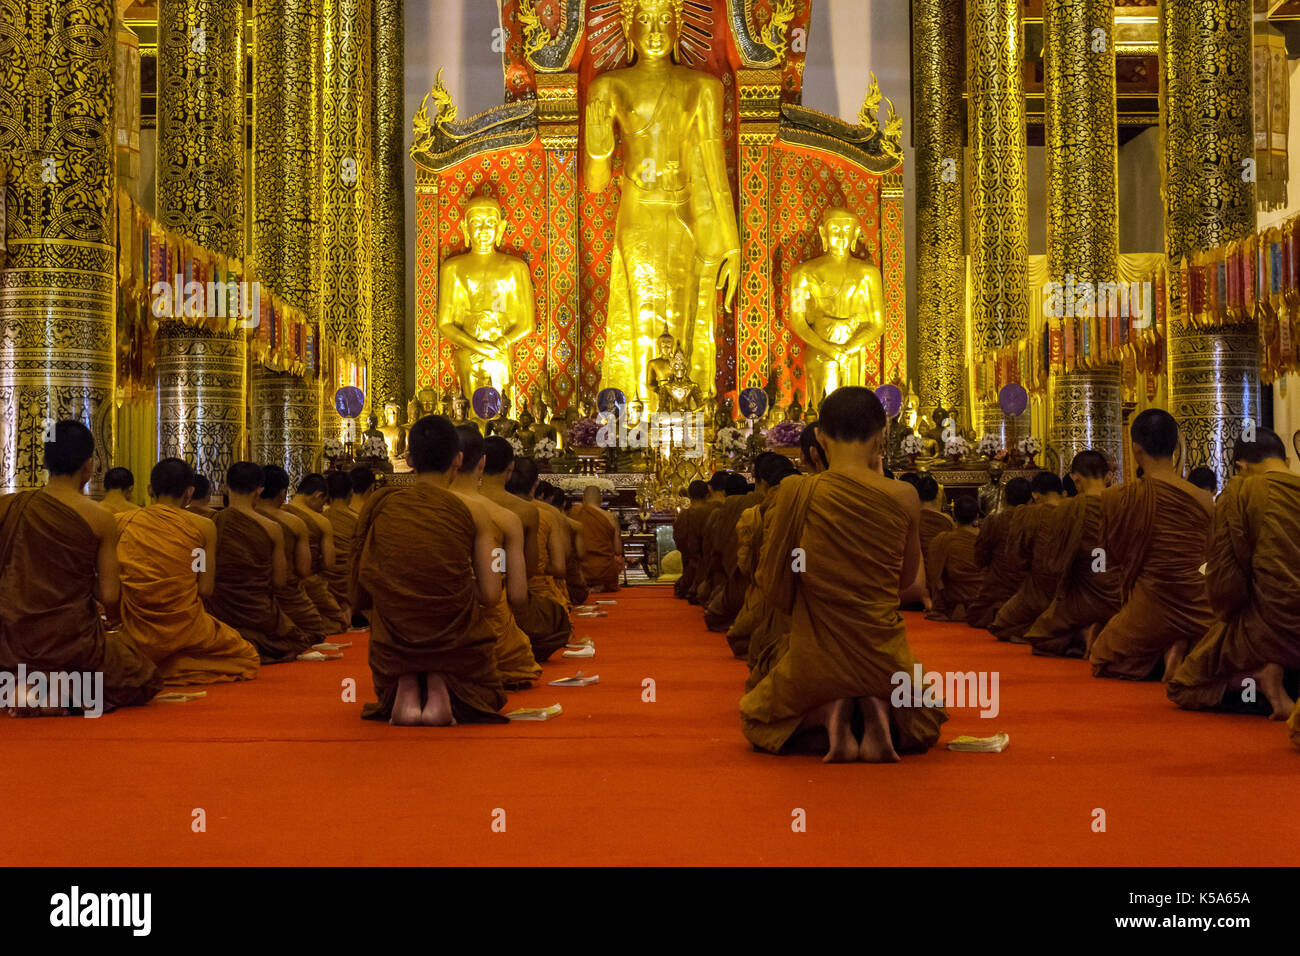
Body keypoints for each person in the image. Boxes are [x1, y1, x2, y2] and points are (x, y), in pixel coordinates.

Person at [740, 387, 947, 762]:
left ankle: (827, 711)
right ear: (882, 435)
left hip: (813, 663)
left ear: (819, 437)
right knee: (925, 720)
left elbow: (772, 584)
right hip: (886, 659)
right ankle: (878, 708)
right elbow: (904, 582)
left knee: (757, 719)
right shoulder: (904, 496)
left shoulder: (796, 492)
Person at [353, 415, 507, 726]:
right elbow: (491, 594)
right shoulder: (475, 513)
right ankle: (439, 681)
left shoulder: (382, 505)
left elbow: (363, 582)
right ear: (459, 459)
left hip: (395, 641)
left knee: (396, 600)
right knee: (459, 612)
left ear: (408, 459)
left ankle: (407, 683)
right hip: (453, 637)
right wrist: (454, 586)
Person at [0, 420, 161, 713]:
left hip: (9, 642)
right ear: (89, 465)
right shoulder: (99, 517)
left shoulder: (9, 505)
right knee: (142, 676)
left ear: (44, 462)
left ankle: (20, 688)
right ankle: (58, 693)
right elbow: (110, 595)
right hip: (70, 642)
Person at [1168, 427, 1300, 718]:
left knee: (1184, 685)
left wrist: (1230, 616)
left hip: (1268, 626)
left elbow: (1225, 585)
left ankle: (1260, 678)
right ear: (1286, 460)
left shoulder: (1241, 492)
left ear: (1241, 467)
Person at [1090, 409, 1214, 681]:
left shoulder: (1117, 497)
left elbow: (1109, 555)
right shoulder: (1203, 498)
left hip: (1151, 601)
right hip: (1198, 604)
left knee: (1103, 657)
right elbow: (1210, 558)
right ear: (1174, 446)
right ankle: (1179, 645)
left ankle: (1163, 650)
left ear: (1135, 449)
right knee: (1213, 644)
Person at [115, 457, 260, 685]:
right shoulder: (203, 527)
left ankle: (150, 665)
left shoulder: (122, 522)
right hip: (186, 626)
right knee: (245, 657)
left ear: (149, 489)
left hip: (136, 629)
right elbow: (205, 588)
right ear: (189, 492)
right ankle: (171, 665)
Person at [453, 426, 540, 686]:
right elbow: (517, 594)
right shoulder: (504, 518)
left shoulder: (423, 509)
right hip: (492, 635)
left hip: (429, 632)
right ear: (481, 461)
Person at [207, 462, 312, 663]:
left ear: (225, 487)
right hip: (259, 612)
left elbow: (200, 567)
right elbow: (279, 580)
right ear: (259, 490)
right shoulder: (272, 528)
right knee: (293, 640)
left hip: (219, 612)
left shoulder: (210, 523)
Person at [1023, 450, 1121, 658]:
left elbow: (1055, 561)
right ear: (1107, 476)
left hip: (1084, 596)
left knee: (1040, 636)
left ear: (1075, 478)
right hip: (1119, 596)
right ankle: (1105, 630)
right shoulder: (1123, 502)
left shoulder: (1072, 508)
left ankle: (1083, 634)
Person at [481, 437, 570, 661]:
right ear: (509, 469)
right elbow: (528, 571)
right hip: (507, 594)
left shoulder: (457, 503)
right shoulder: (524, 512)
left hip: (461, 602)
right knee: (552, 618)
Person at [724, 454, 797, 657]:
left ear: (762, 482)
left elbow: (746, 564)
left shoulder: (755, 515)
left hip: (766, 592)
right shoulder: (810, 498)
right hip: (812, 601)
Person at [988, 471, 1067, 643]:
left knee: (1001, 624)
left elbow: (1015, 558)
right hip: (1070, 588)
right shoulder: (1076, 510)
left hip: (1038, 589)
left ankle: (1043, 630)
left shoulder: (1030, 514)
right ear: (1064, 493)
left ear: (1035, 496)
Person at [256, 465, 332, 643]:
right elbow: (304, 570)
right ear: (283, 494)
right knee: (318, 628)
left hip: (247, 601)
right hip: (287, 597)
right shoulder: (295, 523)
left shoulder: (229, 521)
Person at [966, 477, 1033, 629]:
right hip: (1027, 590)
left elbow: (980, 558)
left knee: (976, 613)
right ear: (1031, 499)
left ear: (1003, 497)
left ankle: (1002, 612)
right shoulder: (1036, 521)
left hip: (997, 589)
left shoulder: (994, 521)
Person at [285, 474, 348, 633]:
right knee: (336, 623)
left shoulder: (279, 514)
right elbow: (329, 563)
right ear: (317, 495)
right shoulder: (321, 521)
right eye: (323, 502)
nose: (322, 508)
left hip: (282, 585)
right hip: (310, 583)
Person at [703, 470, 762, 633]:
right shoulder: (758, 505)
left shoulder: (725, 510)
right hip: (760, 573)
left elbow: (715, 546)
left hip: (734, 573)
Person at [924, 495, 982, 623]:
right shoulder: (984, 540)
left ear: (954, 516)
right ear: (977, 516)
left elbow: (934, 573)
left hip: (952, 595)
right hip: (981, 595)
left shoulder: (942, 539)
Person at [688, 471, 729, 605]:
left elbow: (691, 545)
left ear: (710, 488)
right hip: (726, 564)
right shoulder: (737, 509)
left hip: (704, 565)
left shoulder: (700, 511)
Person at [321, 471, 357, 623]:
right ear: (351, 492)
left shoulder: (319, 520)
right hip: (352, 585)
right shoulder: (358, 520)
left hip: (325, 589)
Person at [573, 484, 624, 592]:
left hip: (581, 572)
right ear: (601, 499)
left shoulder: (574, 515)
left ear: (583, 499)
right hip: (605, 572)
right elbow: (618, 550)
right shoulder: (610, 517)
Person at [671, 480, 710, 599]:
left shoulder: (683, 515)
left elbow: (679, 541)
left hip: (690, 567)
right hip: (707, 567)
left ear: (690, 496)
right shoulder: (712, 513)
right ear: (707, 495)